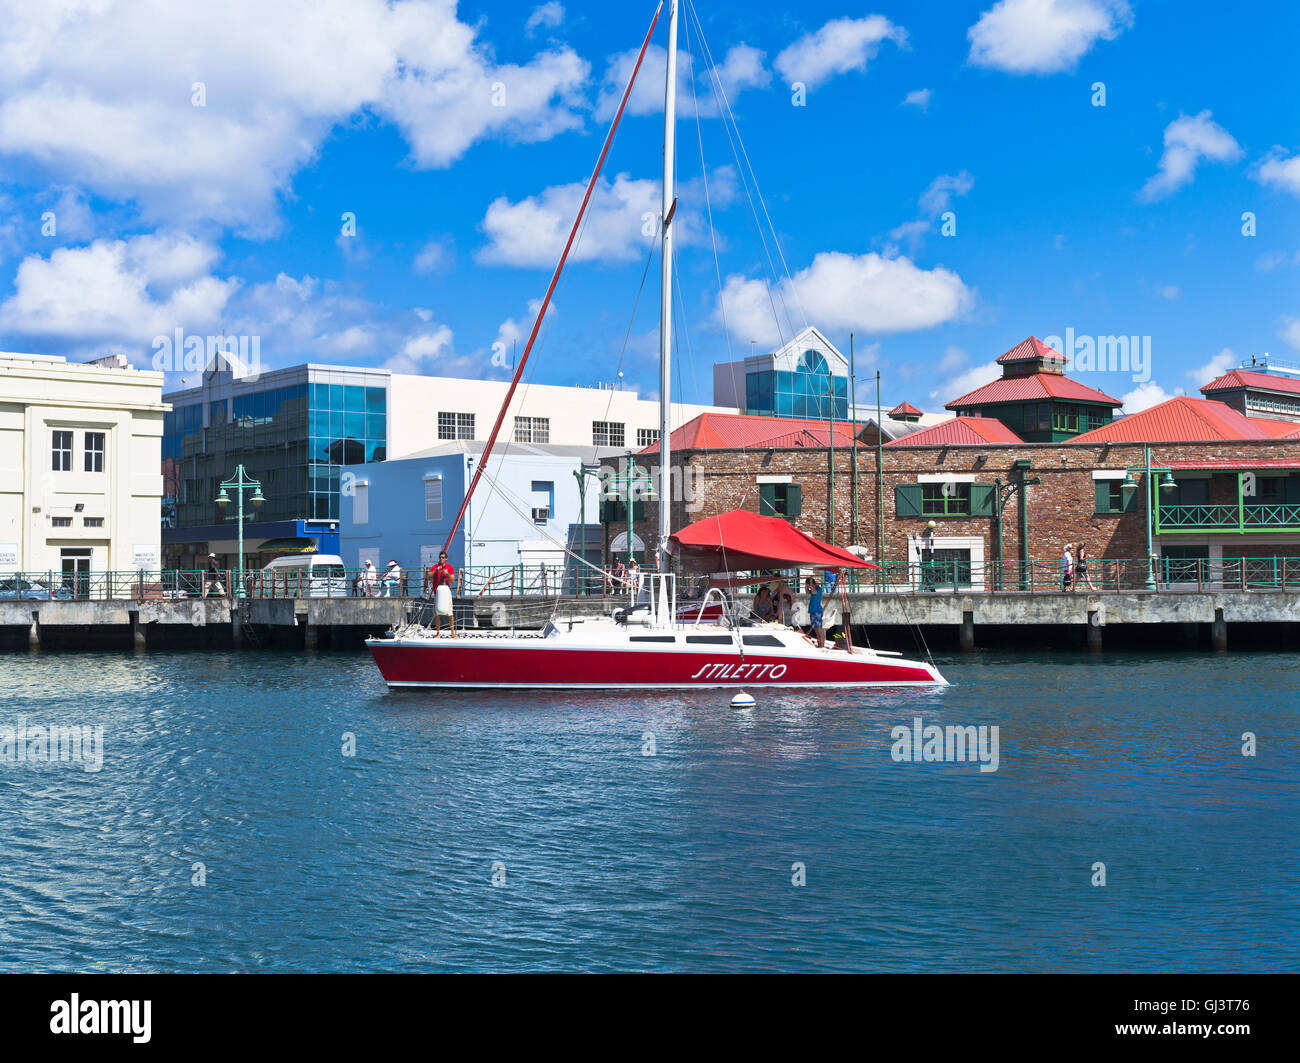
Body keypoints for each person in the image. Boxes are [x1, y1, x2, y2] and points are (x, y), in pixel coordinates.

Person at [805, 576, 826, 648]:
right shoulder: (813, 589)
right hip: (813, 611)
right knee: (816, 629)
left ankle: (822, 645)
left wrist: (810, 582)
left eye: (809, 585)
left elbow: (814, 591)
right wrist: (807, 586)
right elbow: (807, 592)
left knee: (819, 629)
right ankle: (820, 644)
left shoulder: (818, 589)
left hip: (817, 611)